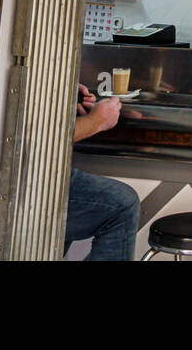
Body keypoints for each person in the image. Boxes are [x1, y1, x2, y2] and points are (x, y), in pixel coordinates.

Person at [66, 83, 140, 260]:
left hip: (53, 175)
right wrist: (95, 121)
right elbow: (44, 137)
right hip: (26, 184)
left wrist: (69, 99)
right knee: (122, 205)